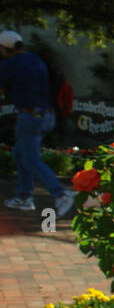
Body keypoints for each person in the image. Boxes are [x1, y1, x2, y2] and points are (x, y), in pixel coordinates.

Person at [0, 30, 75, 215]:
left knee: (31, 160)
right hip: (47, 115)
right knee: (20, 155)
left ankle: (61, 194)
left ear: (4, 48)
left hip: (30, 117)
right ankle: (24, 198)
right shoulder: (35, 59)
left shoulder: (10, 64)